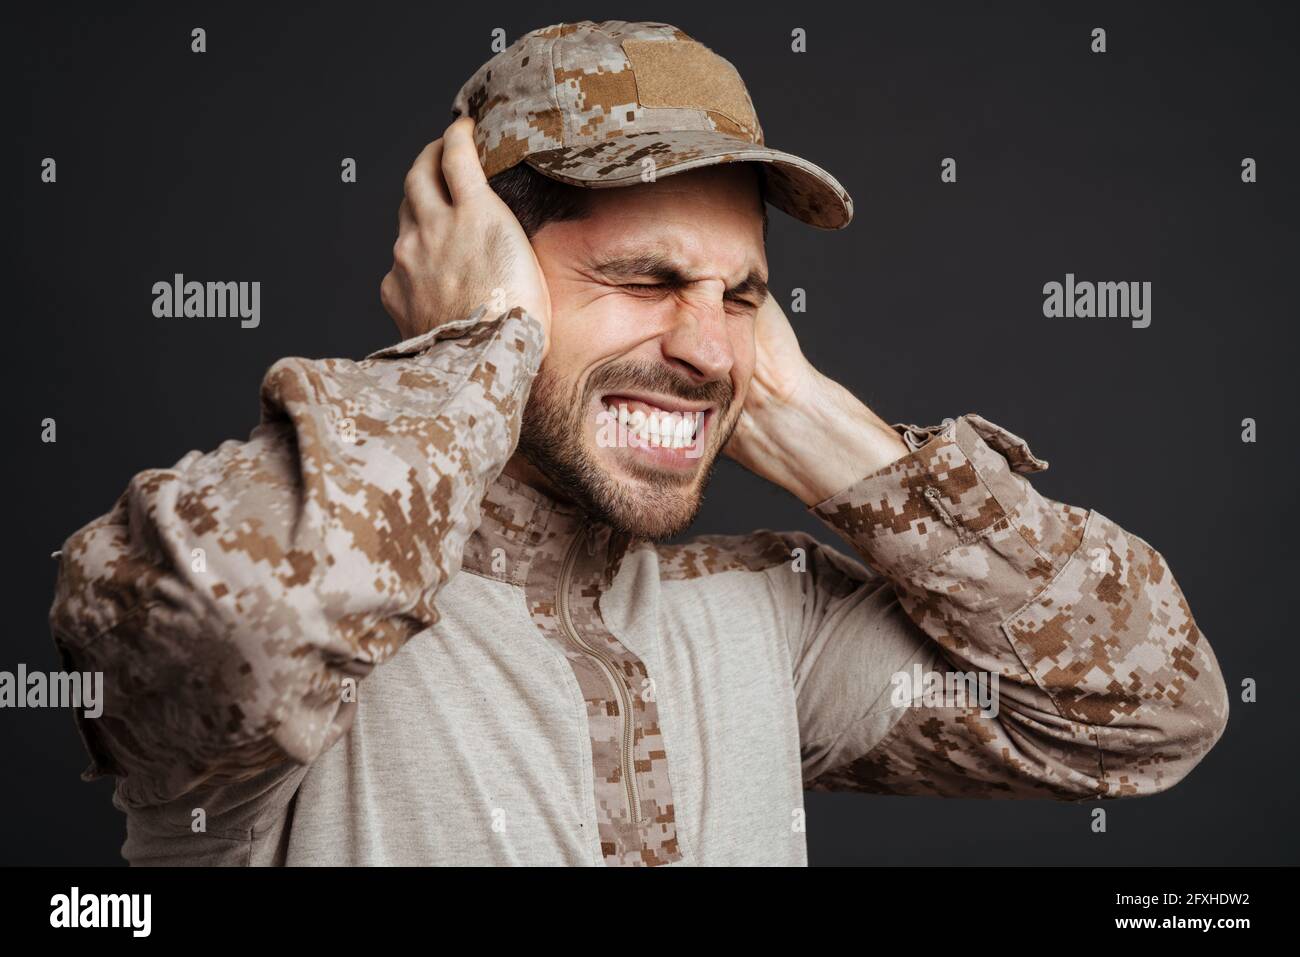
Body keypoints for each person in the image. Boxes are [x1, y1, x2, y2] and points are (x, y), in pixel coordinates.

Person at [49, 20, 1228, 866]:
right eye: (645, 277)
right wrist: (474, 354)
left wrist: (809, 426)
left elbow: (1148, 712)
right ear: (488, 271)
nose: (710, 349)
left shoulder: (767, 623)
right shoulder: (270, 572)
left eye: (742, 296)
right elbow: (256, 633)